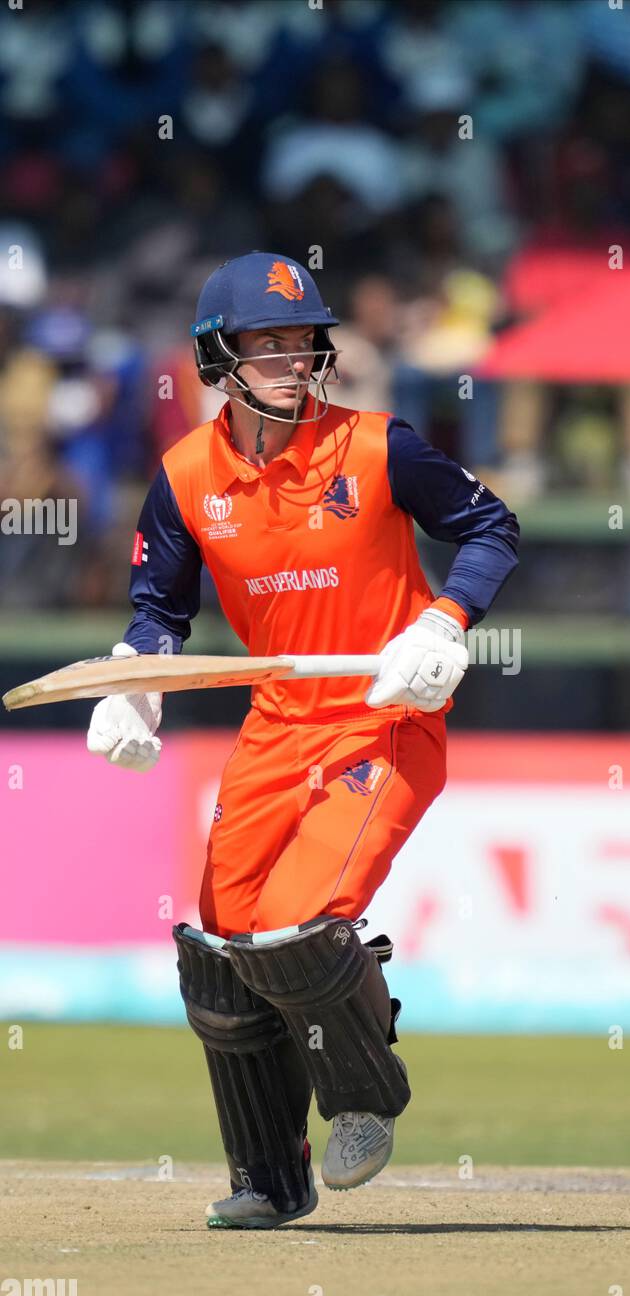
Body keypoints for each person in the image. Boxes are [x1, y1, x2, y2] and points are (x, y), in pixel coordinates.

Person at [86, 252, 519, 1229]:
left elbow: (490, 526)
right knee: (222, 946)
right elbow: (159, 609)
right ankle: (268, 1179)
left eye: (299, 339)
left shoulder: (379, 445)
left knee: (295, 924)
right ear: (218, 355)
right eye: (265, 342)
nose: (289, 358)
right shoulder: (187, 476)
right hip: (276, 727)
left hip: (386, 716)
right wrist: (136, 688)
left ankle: (363, 1094)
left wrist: (444, 618)